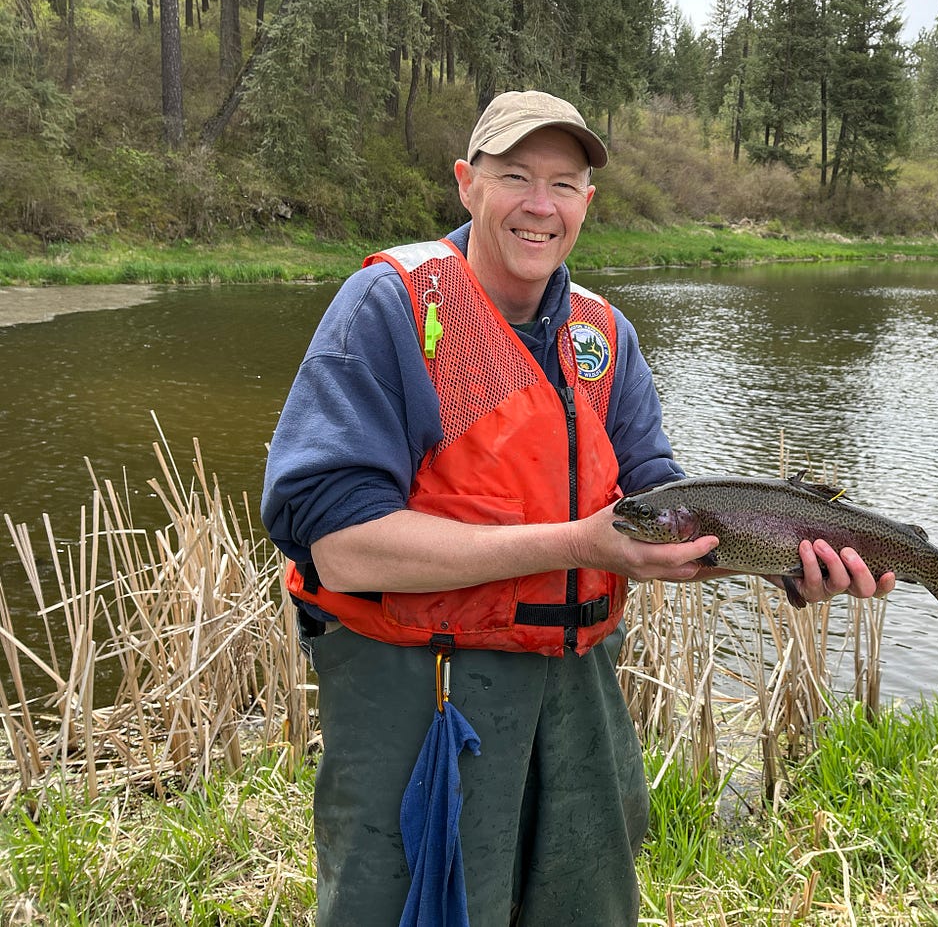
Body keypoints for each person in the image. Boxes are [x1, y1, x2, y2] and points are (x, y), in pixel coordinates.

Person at [261, 89, 894, 926]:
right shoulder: (391, 308)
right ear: (466, 183)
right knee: (408, 900)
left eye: (564, 184)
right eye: (515, 175)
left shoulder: (606, 335)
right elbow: (340, 547)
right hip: (424, 687)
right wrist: (578, 543)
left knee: (584, 904)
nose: (539, 204)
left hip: (579, 691)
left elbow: (663, 523)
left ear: (587, 203)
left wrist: (783, 564)